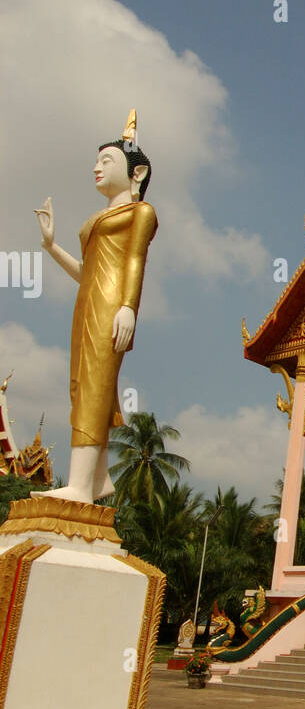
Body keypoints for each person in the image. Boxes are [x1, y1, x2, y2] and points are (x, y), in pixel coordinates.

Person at [34, 110, 157, 504]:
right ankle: (99, 478)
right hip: (87, 304)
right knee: (84, 386)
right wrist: (52, 247)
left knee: (93, 385)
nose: (96, 168)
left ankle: (80, 486)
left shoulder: (140, 212)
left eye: (107, 161)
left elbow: (135, 261)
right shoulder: (99, 219)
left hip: (111, 308)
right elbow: (87, 273)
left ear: (136, 174)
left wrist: (128, 308)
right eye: (97, 161)